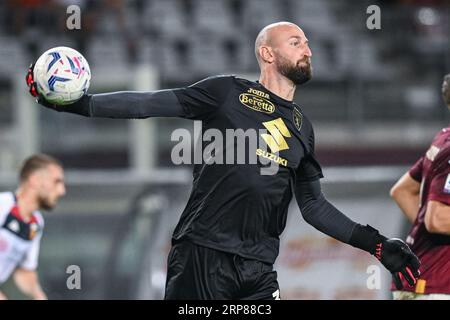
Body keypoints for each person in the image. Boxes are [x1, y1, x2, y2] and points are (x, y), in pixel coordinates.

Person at [26, 22, 420, 300]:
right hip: (202, 254)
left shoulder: (302, 125)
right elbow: (148, 104)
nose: (309, 49)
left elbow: (314, 206)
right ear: (268, 52)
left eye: (307, 43)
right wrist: (81, 105)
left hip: (258, 267)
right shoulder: (226, 91)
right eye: (296, 42)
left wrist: (378, 244)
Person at [390, 74, 450, 300]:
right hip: (435, 286)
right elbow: (436, 219)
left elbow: (402, 191)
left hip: (424, 280)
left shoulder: (443, 138)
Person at [0, 154, 66, 300]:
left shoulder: (36, 223)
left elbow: (25, 271)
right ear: (35, 180)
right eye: (57, 182)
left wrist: (39, 296)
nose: (62, 191)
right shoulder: (2, 205)